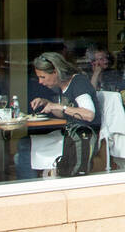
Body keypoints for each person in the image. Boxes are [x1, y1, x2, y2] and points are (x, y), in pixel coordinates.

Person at [19, 51, 102, 180]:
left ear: (55, 73)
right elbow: (64, 113)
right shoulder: (62, 86)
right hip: (69, 134)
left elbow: (89, 114)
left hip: (80, 138)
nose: (40, 82)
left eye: (43, 77)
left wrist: (59, 106)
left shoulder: (78, 83)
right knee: (24, 144)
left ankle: (27, 188)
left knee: (25, 146)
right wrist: (48, 103)